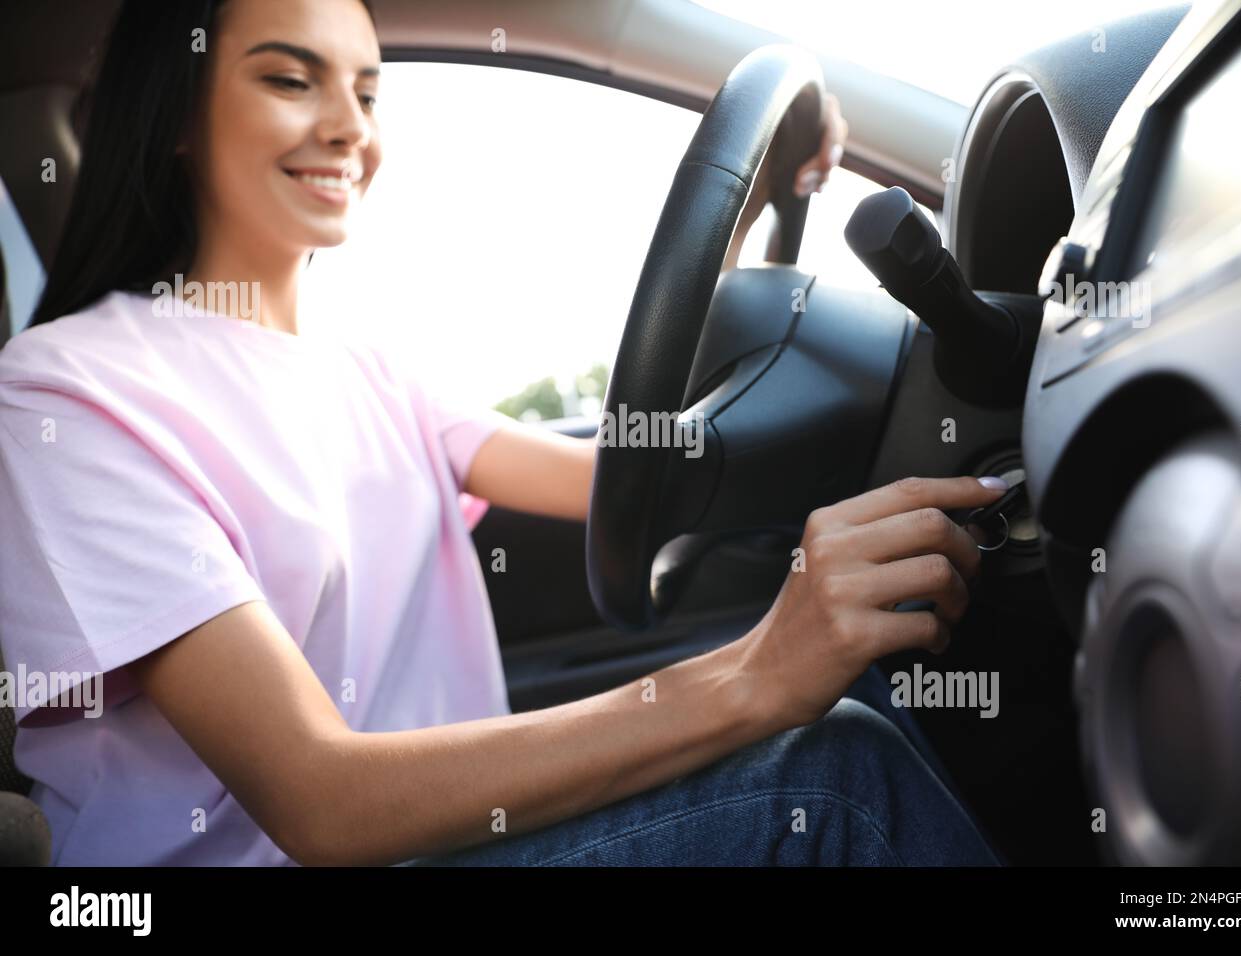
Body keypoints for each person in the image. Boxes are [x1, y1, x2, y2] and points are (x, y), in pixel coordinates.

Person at [0, 0, 1004, 866]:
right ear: (174, 111)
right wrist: (752, 675)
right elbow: (319, 797)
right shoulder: (68, 393)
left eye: (367, 91)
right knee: (835, 778)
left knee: (873, 665)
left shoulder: (372, 368)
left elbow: (638, 478)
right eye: (289, 80)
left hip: (459, 840)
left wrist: (767, 208)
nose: (349, 128)